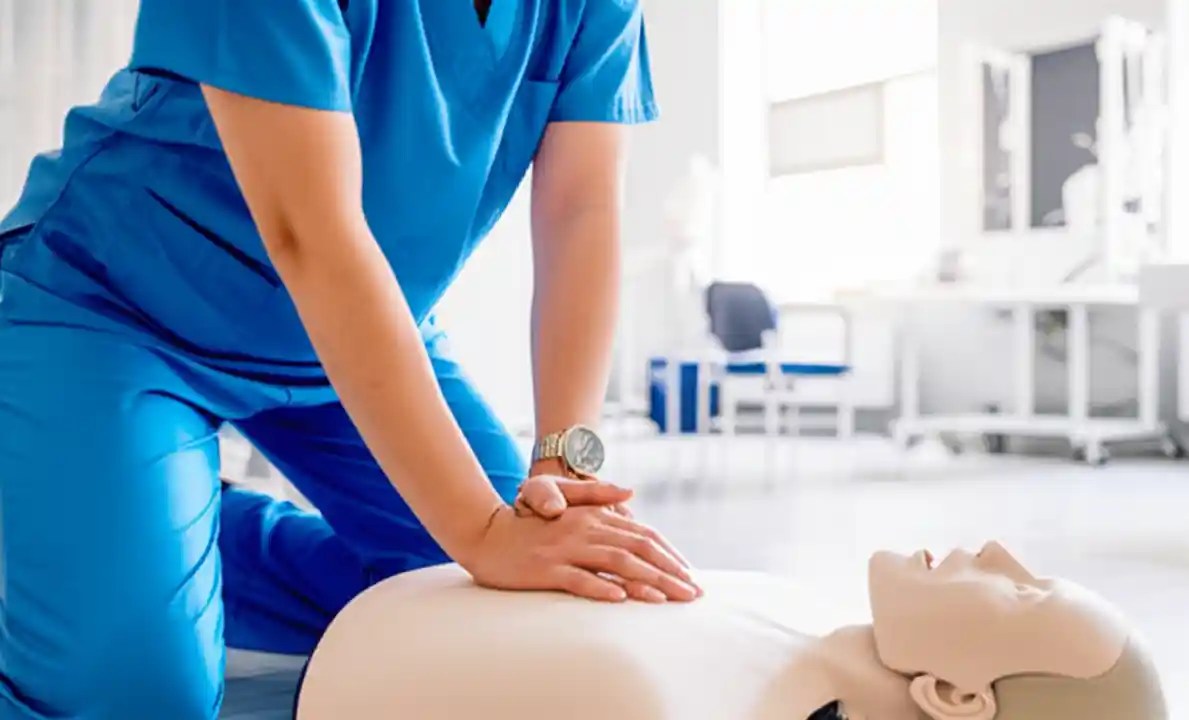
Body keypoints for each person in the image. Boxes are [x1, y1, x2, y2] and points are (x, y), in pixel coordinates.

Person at [0, 1, 699, 718]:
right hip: (111, 307)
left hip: (352, 338)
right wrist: (481, 532)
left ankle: (142, 529)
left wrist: (562, 467)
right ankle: (77, 523)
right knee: (138, 698)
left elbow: (582, 210)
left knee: (523, 611)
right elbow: (310, 234)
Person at [297, 542, 1167, 720]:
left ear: (955, 697)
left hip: (341, 660)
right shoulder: (789, 602)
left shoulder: (651, 704)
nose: (998, 550)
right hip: (392, 601)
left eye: (1023, 594)